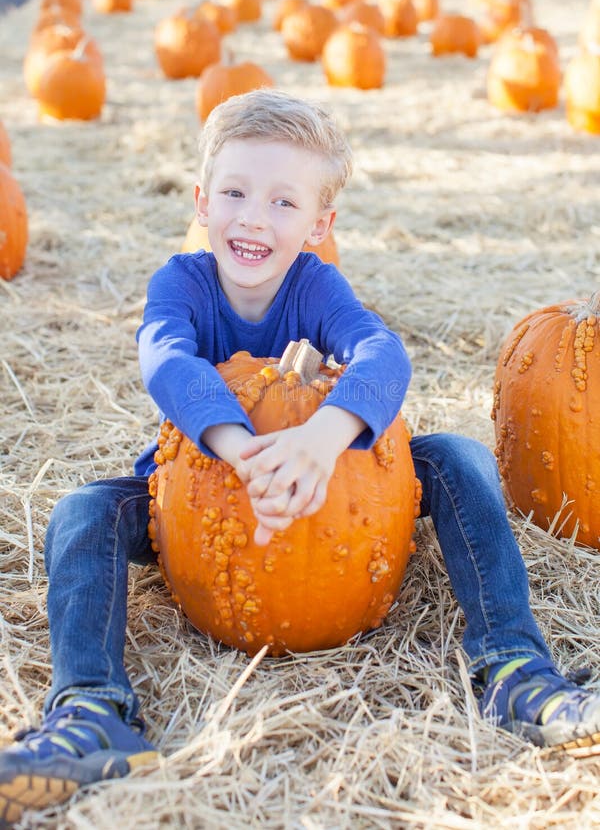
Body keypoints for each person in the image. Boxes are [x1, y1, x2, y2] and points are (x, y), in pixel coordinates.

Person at [1, 89, 599, 826]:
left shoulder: (318, 286)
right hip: (190, 500)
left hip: (338, 494)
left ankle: (515, 668)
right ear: (202, 202)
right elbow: (166, 361)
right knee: (81, 512)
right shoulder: (180, 284)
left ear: (320, 225)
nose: (254, 217)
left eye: (284, 202)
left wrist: (323, 437)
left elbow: (382, 353)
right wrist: (242, 453)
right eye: (235, 193)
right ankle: (91, 711)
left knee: (459, 458)